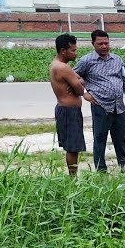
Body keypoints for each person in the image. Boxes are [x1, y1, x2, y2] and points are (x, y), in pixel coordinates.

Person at [74, 29, 125, 175]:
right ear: (93, 44)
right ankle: (101, 169)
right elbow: (72, 77)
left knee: (120, 138)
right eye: (100, 44)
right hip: (100, 105)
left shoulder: (117, 60)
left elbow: (124, 80)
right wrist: (83, 93)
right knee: (100, 138)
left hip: (119, 106)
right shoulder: (86, 61)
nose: (104, 46)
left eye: (106, 43)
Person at [49, 34, 86, 177]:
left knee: (72, 147)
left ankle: (73, 176)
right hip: (68, 110)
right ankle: (73, 178)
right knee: (72, 147)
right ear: (63, 51)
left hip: (66, 109)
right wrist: (78, 83)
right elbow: (80, 89)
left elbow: (79, 82)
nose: (75, 53)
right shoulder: (63, 67)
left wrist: (78, 81)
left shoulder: (57, 65)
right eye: (73, 50)